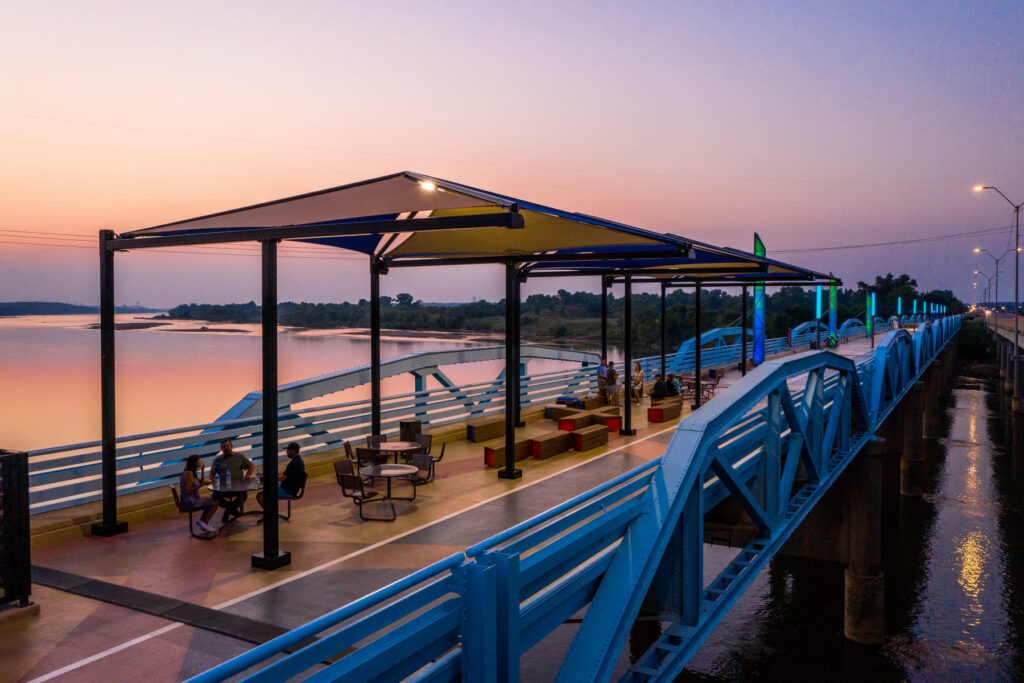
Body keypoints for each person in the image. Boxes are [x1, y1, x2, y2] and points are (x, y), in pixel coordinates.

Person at [210, 439, 256, 523]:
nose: (226, 448)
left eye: (228, 446)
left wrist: (247, 476)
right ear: (221, 448)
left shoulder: (240, 457)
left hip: (238, 487)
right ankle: (232, 509)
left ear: (231, 446)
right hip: (223, 488)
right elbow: (211, 475)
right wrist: (215, 483)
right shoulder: (217, 460)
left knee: (244, 495)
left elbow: (251, 466)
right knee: (214, 497)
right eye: (224, 446)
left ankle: (227, 512)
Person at [257, 442, 307, 509]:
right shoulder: (297, 461)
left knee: (260, 496)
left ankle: (269, 515)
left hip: (287, 491)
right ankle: (270, 512)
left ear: (293, 451)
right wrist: (266, 475)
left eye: (288, 450)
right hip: (287, 488)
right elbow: (283, 474)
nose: (286, 452)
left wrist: (265, 478)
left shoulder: (295, 463)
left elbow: (281, 478)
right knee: (268, 487)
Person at [179, 454, 219, 533]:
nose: (200, 462)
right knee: (216, 502)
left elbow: (199, 482)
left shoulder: (192, 472)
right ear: (194, 462)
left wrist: (202, 470)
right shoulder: (189, 473)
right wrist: (203, 484)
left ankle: (203, 522)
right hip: (190, 502)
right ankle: (203, 522)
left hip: (193, 499)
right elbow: (188, 491)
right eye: (199, 460)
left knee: (210, 501)